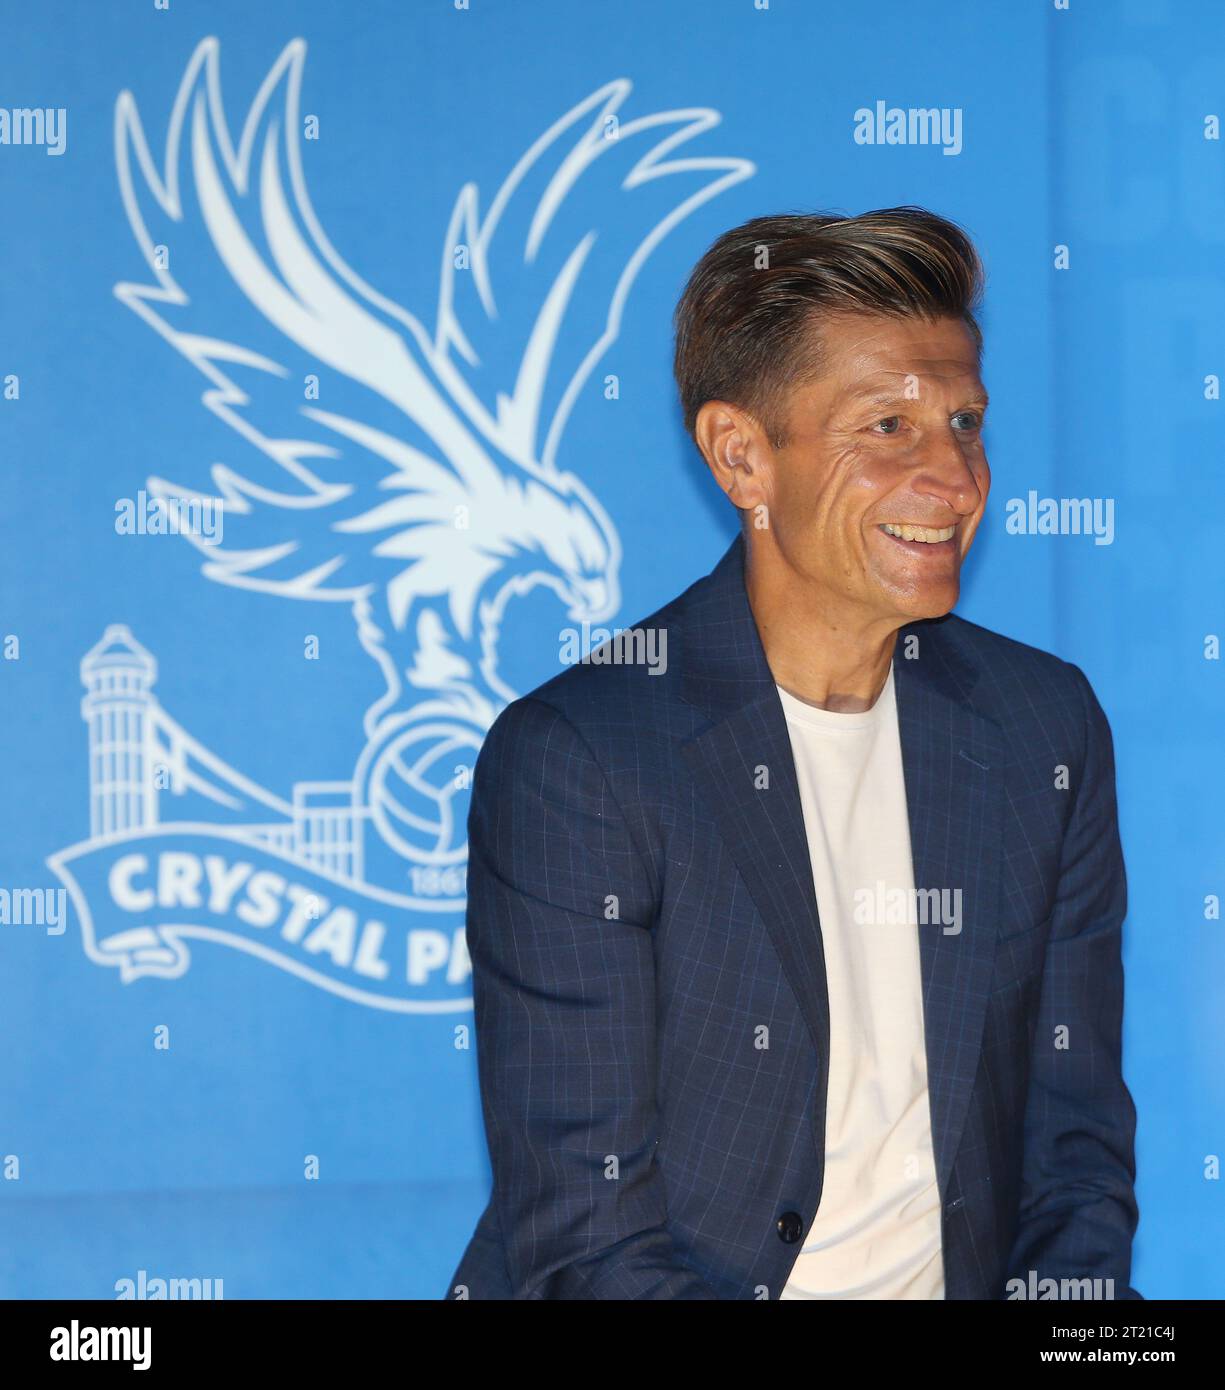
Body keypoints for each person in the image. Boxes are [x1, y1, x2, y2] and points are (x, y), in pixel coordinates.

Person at [446, 207, 1139, 1300]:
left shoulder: (1041, 729)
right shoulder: (583, 758)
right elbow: (590, 1248)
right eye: (887, 429)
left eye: (964, 424)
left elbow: (1073, 1163)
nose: (955, 481)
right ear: (740, 456)